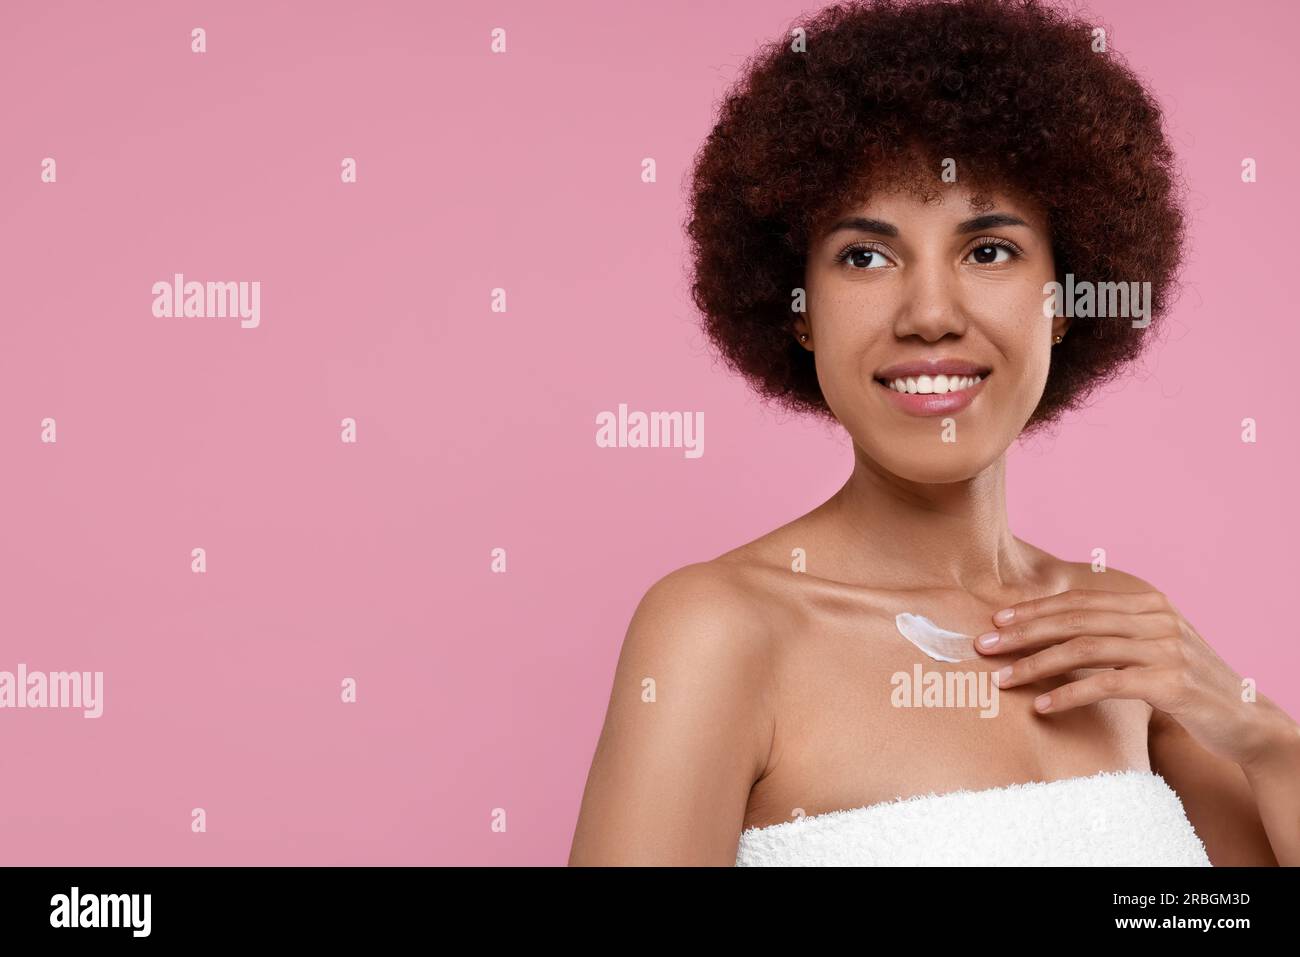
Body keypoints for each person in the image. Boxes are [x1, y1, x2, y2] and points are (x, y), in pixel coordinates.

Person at [568, 0, 1300, 866]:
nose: (927, 315)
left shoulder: (1117, 640)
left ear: (1065, 299)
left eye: (988, 250)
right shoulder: (719, 631)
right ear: (797, 311)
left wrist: (1264, 737)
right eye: (865, 256)